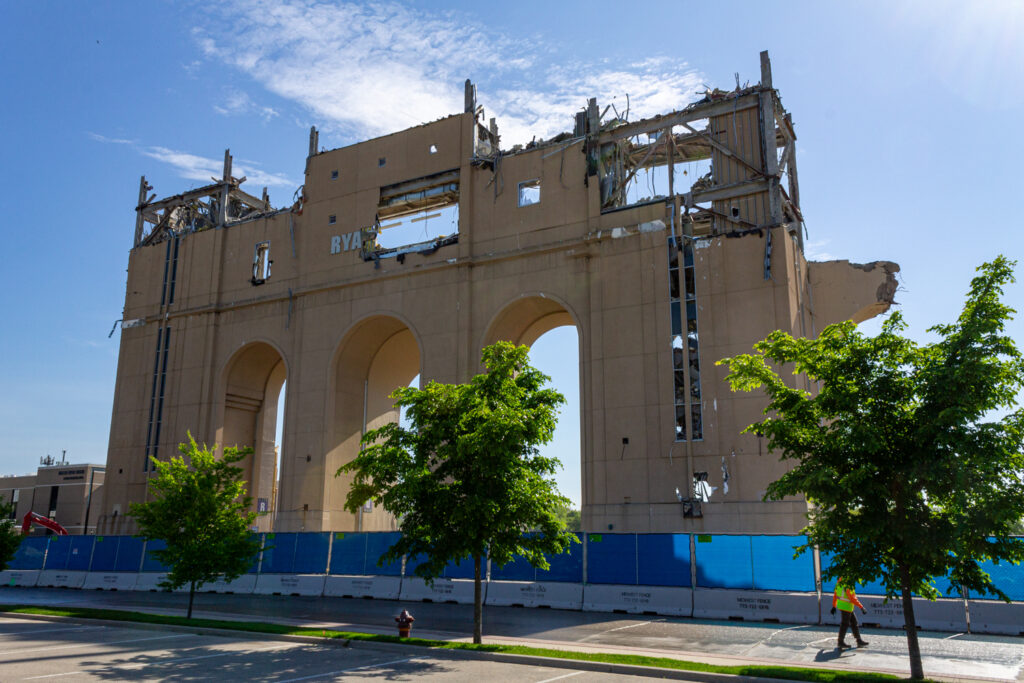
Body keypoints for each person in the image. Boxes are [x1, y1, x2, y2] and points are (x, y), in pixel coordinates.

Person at [830, 577, 869, 649]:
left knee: (854, 623)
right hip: (846, 607)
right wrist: (861, 607)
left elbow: (835, 595)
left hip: (843, 606)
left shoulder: (839, 582)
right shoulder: (848, 584)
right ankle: (840, 642)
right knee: (845, 624)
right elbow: (852, 598)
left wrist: (834, 606)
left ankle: (858, 640)